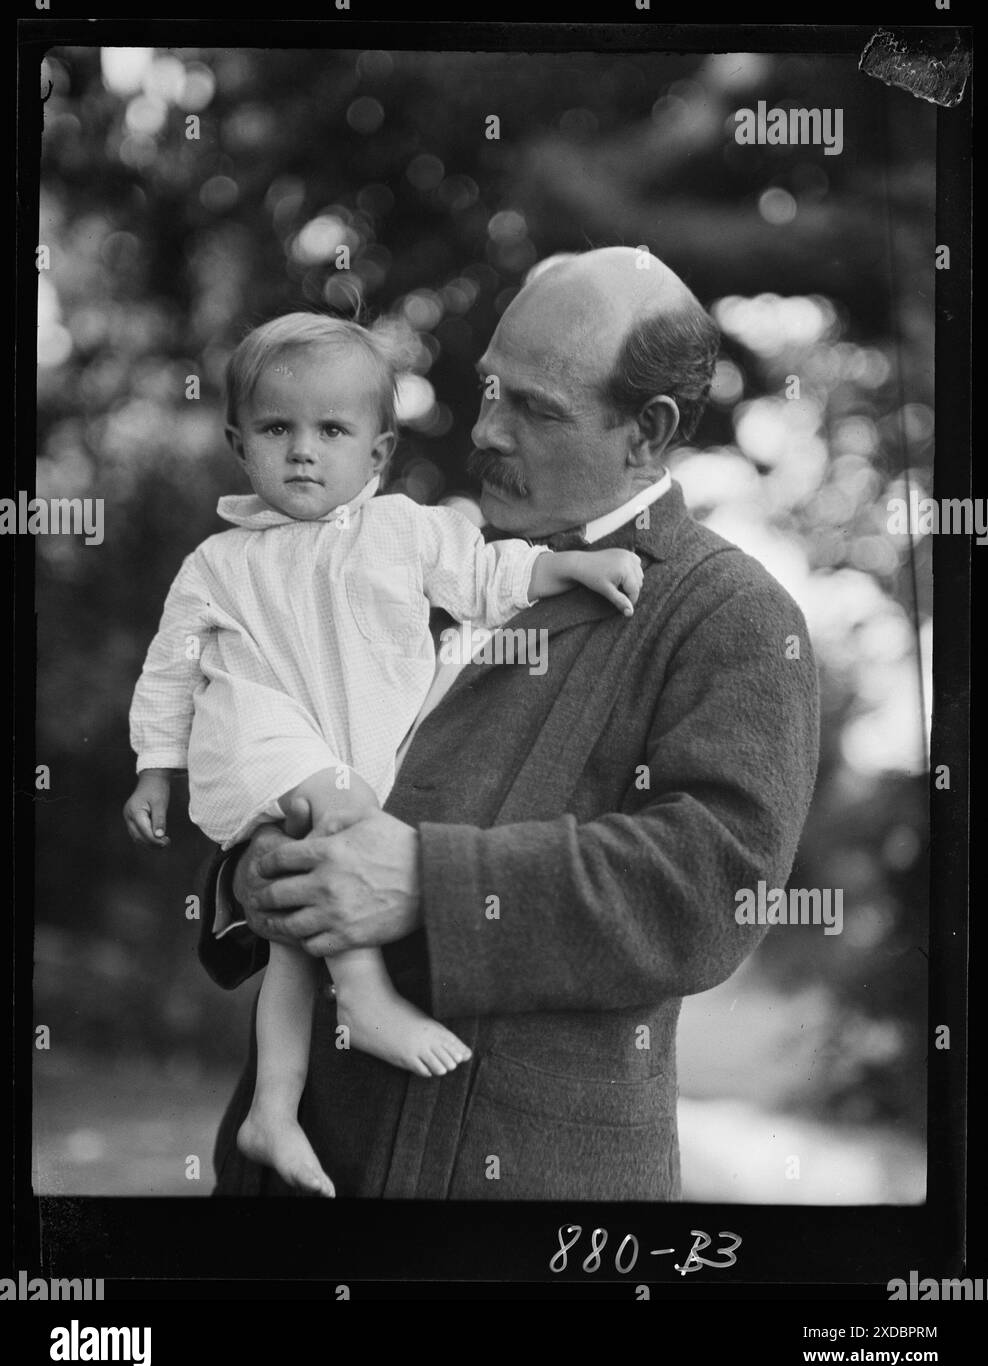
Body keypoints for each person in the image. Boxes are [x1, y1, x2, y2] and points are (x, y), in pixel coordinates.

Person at [200, 246, 821, 1201]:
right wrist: (250, 871)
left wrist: (428, 886)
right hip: (290, 1177)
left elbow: (713, 886)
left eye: (533, 408)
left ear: (647, 431)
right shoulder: (411, 556)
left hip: (526, 1203)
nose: (487, 428)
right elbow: (260, 725)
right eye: (492, 389)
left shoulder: (732, 615)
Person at [124, 311, 644, 1196]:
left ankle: (273, 1112)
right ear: (237, 444)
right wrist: (154, 768)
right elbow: (171, 668)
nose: (301, 452)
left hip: (350, 761)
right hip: (263, 739)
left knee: (298, 933)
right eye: (276, 429)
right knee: (340, 824)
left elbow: (486, 578)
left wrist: (564, 571)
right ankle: (365, 1002)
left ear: (376, 452)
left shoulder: (405, 531)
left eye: (332, 431)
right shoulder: (217, 563)